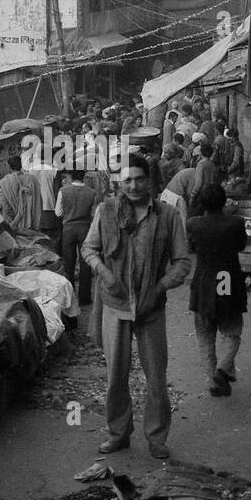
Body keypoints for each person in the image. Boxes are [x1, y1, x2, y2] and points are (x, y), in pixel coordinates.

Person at [81, 154, 192, 460]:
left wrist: (159, 288)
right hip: (114, 306)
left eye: (139, 178)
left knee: (156, 376)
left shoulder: (167, 215)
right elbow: (89, 249)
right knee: (116, 375)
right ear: (119, 181)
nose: (133, 185)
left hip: (151, 308)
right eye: (127, 179)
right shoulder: (105, 212)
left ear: (149, 180)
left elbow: (182, 262)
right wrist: (104, 273)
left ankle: (156, 437)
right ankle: (118, 434)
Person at [187, 183, 248, 396]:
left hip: (204, 284)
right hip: (227, 281)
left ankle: (214, 380)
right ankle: (222, 370)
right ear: (224, 201)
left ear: (201, 203)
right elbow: (241, 246)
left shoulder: (193, 224)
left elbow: (192, 247)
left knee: (205, 336)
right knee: (231, 332)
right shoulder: (236, 223)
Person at [55, 168, 96, 303]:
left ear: (70, 176)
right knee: (85, 264)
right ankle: (85, 298)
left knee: (68, 263)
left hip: (68, 229)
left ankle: (70, 297)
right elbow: (94, 214)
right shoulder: (91, 193)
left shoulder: (64, 191)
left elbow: (58, 213)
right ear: (84, 176)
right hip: (85, 229)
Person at [0, 155, 43, 232]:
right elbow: (39, 200)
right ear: (21, 164)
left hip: (16, 222)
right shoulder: (32, 179)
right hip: (33, 220)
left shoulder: (5, 182)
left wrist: (13, 220)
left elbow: (6, 205)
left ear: (9, 166)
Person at [193, 143, 220, 215]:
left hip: (202, 195)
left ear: (201, 153)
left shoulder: (201, 164)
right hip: (211, 194)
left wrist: (193, 195)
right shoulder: (212, 164)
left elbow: (199, 183)